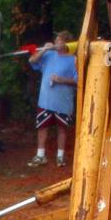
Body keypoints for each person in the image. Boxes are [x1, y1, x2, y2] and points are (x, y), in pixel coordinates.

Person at [27, 31, 77, 168]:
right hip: (45, 101)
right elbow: (32, 61)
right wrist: (43, 49)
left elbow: (78, 81)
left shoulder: (73, 60)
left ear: (66, 43)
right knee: (42, 127)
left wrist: (62, 80)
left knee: (62, 129)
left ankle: (60, 157)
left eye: (59, 40)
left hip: (63, 102)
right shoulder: (49, 55)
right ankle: (40, 155)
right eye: (56, 40)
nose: (56, 43)